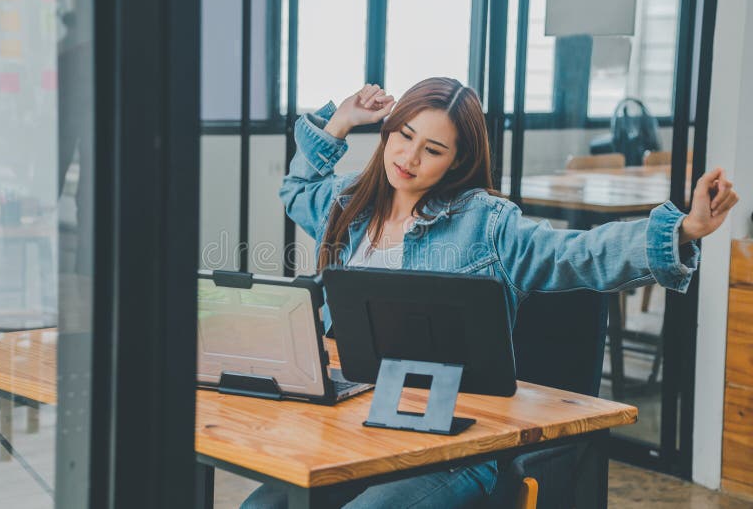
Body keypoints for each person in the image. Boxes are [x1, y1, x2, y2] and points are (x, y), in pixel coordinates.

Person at [242, 77, 739, 508]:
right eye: (404, 135)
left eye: (432, 150)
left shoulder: (486, 224)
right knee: (263, 504)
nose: (409, 158)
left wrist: (684, 231)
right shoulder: (352, 203)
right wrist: (341, 123)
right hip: (358, 432)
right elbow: (298, 189)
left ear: (457, 162)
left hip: (456, 448)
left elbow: (578, 253)